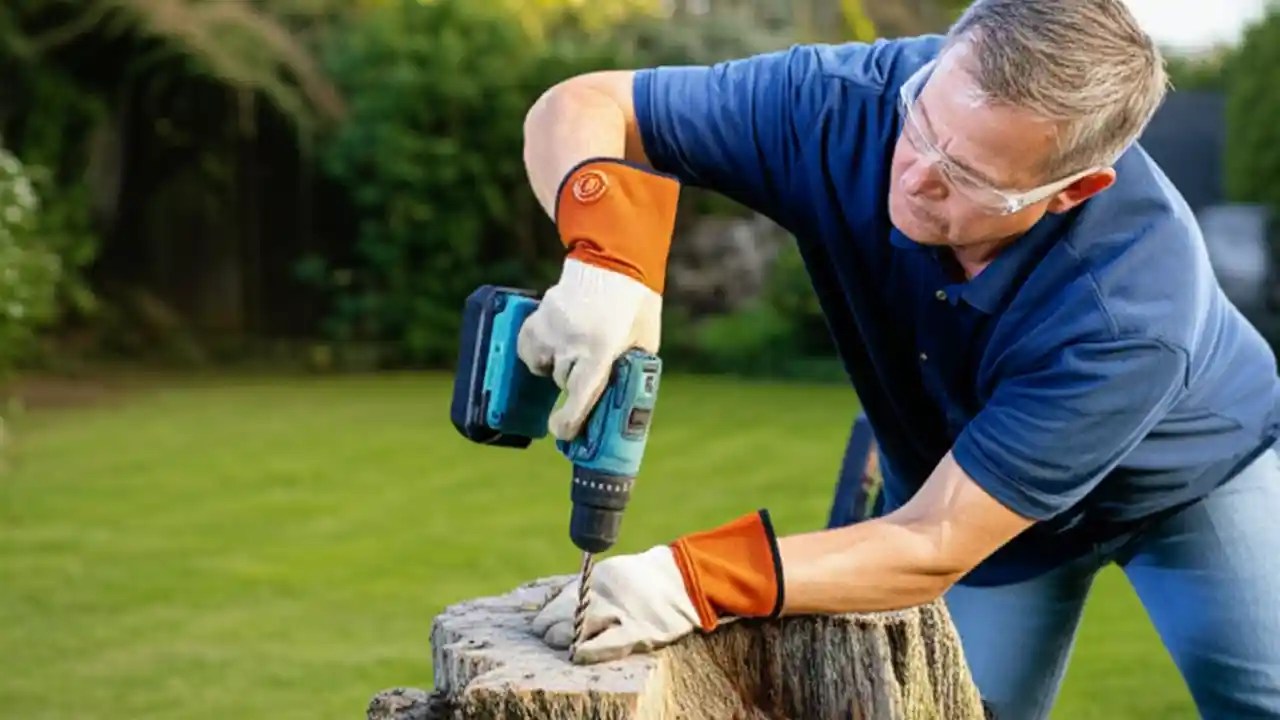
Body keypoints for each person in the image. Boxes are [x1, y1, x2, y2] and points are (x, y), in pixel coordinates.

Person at [514, 1, 1280, 717]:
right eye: (923, 122)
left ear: (1072, 190)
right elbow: (583, 105)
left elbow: (932, 543)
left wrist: (694, 578)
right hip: (959, 478)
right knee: (948, 708)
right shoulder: (847, 102)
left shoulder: (1131, 310)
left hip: (1190, 481)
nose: (916, 173)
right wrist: (607, 256)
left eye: (971, 175)